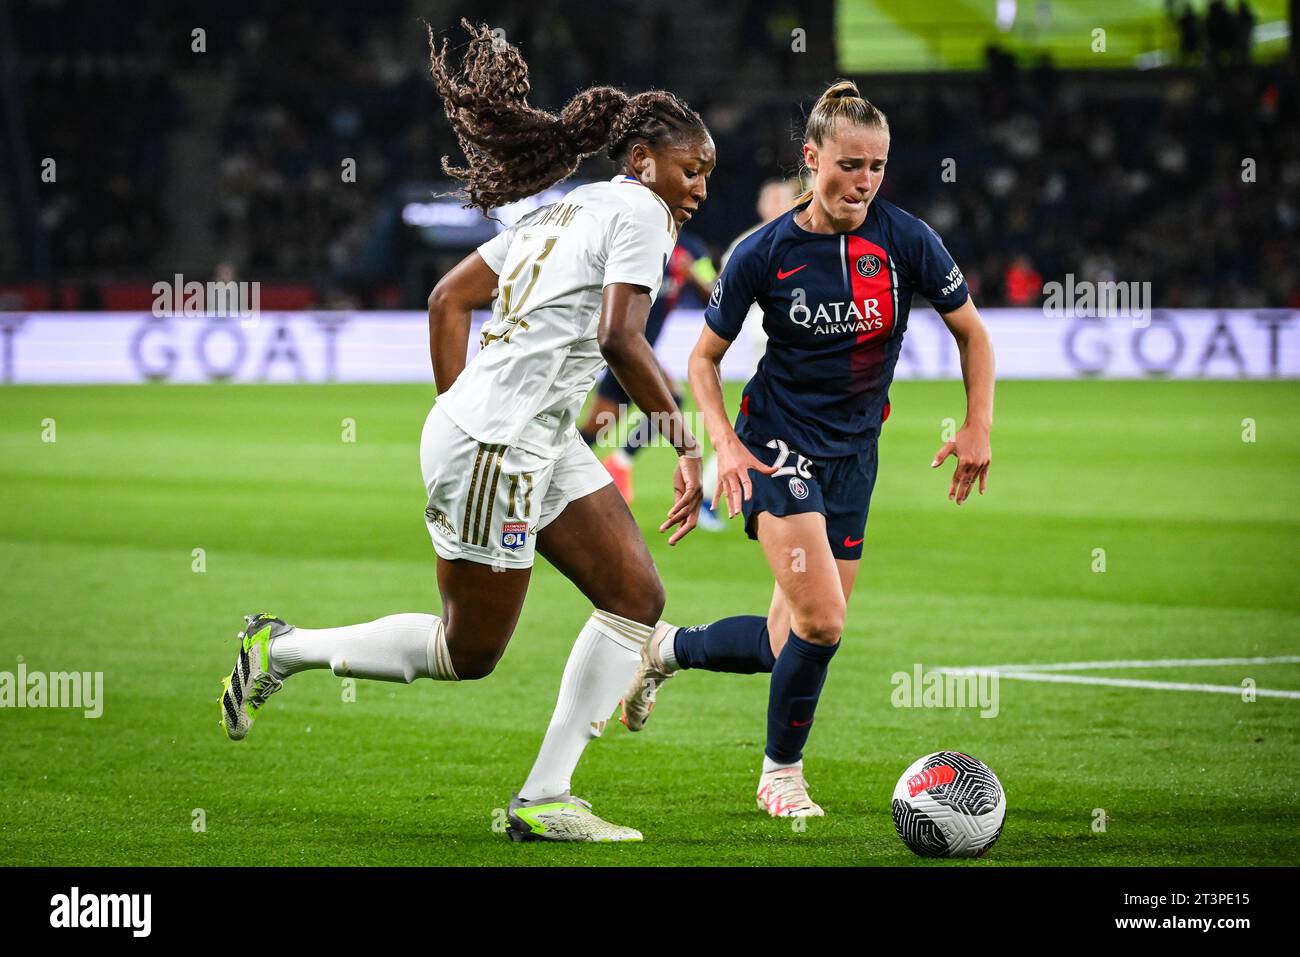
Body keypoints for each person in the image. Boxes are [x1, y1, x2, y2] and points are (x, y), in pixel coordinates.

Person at [217, 19, 713, 842]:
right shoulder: (640, 217)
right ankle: (284, 647)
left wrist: (467, 408)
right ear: (642, 163)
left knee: (634, 597)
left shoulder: (568, 208)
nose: (698, 186)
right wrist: (684, 442)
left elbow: (447, 298)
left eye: (706, 174)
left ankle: (546, 797)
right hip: (502, 443)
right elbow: (620, 338)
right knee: (467, 652)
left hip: (529, 437)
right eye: (690, 169)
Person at [620, 80, 995, 818]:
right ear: (811, 157)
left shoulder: (907, 241)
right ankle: (780, 775)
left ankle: (663, 650)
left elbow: (972, 333)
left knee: (780, 638)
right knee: (822, 620)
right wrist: (723, 445)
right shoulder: (763, 251)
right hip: (776, 447)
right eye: (848, 165)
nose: (863, 182)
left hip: (855, 456)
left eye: (877, 167)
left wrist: (977, 424)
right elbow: (702, 360)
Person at [578, 231, 716, 503]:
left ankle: (550, 471)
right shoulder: (635, 238)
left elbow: (714, 295)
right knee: (671, 398)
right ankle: (618, 464)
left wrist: (693, 276)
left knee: (592, 433)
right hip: (618, 345)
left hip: (637, 350)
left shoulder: (693, 249)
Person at [698, 177, 802, 529]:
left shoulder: (803, 237)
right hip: (765, 337)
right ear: (760, 204)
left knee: (776, 418)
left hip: (791, 339)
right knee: (764, 418)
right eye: (770, 197)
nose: (776, 203)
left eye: (782, 197)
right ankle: (709, 491)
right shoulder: (748, 244)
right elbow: (723, 295)